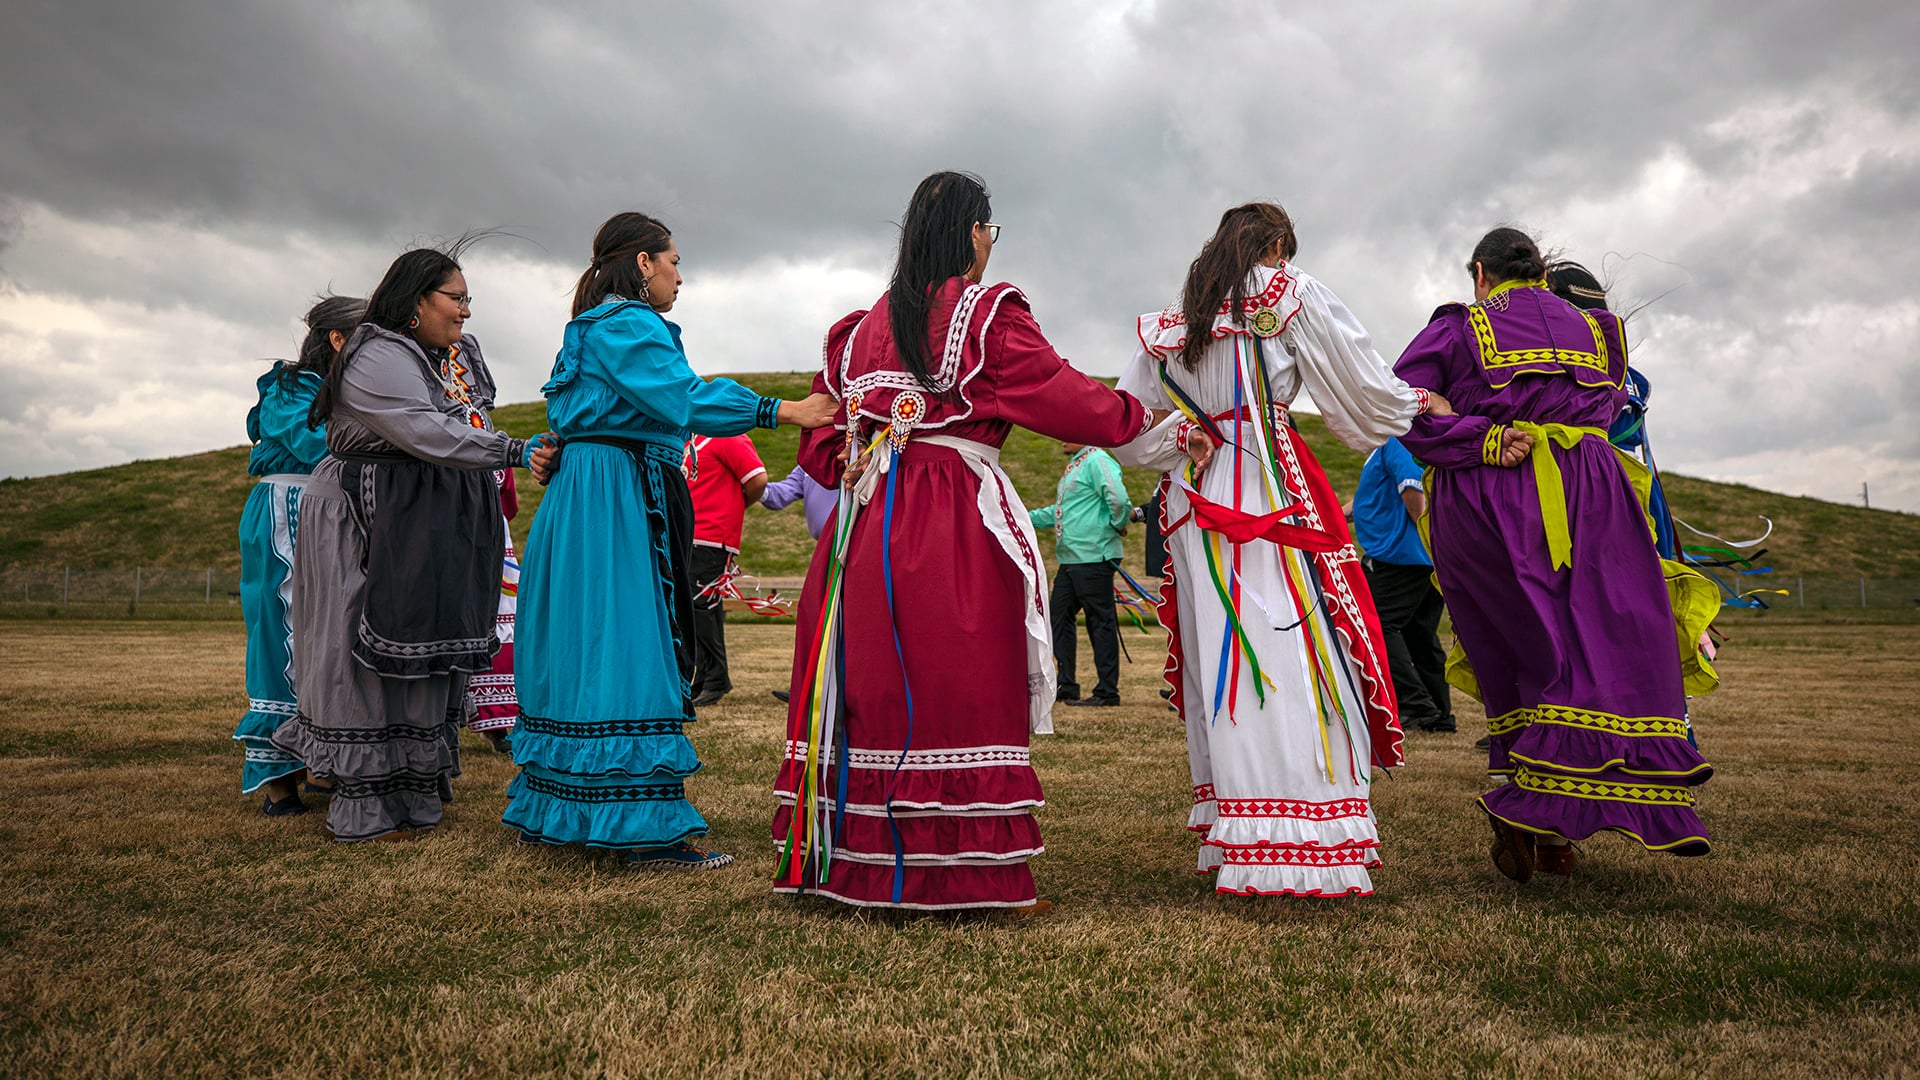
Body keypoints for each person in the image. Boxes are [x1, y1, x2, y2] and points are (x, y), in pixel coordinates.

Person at [772, 171, 1160, 913]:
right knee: (952, 681)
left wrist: (869, 452)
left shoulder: (855, 333)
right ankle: (957, 874)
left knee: (871, 685)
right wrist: (1150, 422)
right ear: (974, 236)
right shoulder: (984, 316)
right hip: (946, 523)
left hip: (862, 528)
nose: (991, 244)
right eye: (991, 231)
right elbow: (1063, 395)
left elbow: (821, 450)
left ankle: (846, 863)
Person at [1112, 202, 1448, 898]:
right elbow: (1365, 394)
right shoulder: (1288, 294)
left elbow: (1127, 431)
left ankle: (1242, 822)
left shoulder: (1172, 323)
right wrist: (1418, 402)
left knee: (1228, 657)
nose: (1286, 263)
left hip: (1200, 496)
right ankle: (1298, 824)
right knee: (1287, 647)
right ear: (1272, 245)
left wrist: (1183, 435)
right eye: (1283, 250)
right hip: (1267, 487)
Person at [506, 211, 835, 868]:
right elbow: (680, 398)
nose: (680, 276)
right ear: (643, 264)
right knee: (629, 642)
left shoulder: (588, 327)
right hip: (616, 502)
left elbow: (577, 417)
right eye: (675, 261)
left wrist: (551, 448)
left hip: (585, 496)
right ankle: (642, 830)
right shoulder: (627, 323)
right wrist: (784, 410)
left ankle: (563, 805)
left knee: (585, 644)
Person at [1393, 226, 1713, 883]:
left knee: (1517, 648)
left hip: (1496, 492)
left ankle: (1533, 813)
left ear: (1480, 273)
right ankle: (1564, 829)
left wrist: (1474, 432)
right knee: (1593, 645)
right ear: (1539, 272)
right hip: (1595, 493)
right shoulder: (1600, 330)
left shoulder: (1461, 327)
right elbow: (1620, 409)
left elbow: (1401, 407)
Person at [272, 242, 549, 842]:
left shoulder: (453, 352)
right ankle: (366, 802)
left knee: (426, 647)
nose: (467, 311)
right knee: (360, 642)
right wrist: (512, 452)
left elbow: (471, 416)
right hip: (367, 516)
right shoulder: (377, 354)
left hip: (430, 514)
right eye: (457, 297)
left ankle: (415, 792)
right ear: (416, 301)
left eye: (469, 298)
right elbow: (424, 429)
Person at [235, 295, 364, 816]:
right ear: (337, 339)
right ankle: (278, 777)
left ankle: (322, 757)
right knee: (281, 626)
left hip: (334, 508)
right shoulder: (290, 389)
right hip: (290, 506)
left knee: (332, 632)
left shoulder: (353, 388)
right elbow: (322, 445)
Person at [1349, 436, 1455, 733]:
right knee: (1419, 634)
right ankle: (1438, 713)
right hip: (1418, 556)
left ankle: (1415, 706)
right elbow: (1369, 497)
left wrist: (1423, 530)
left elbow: (1413, 490)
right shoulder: (1385, 445)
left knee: (1378, 627)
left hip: (1400, 557)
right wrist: (1333, 516)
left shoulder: (1398, 441)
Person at [1031, 440, 1131, 707]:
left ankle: (1107, 691)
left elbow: (1118, 498)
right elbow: (1062, 511)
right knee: (1058, 618)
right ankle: (1067, 684)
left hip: (1093, 556)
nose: (1060, 436)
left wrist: (1117, 523)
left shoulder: (1098, 460)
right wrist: (1022, 517)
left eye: (1068, 431)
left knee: (1100, 623)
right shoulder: (1077, 464)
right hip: (1071, 559)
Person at [686, 433, 769, 707]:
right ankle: (700, 676)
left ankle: (717, 677)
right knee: (691, 611)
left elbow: (757, 479)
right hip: (687, 535)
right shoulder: (689, 441)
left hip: (712, 536)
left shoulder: (728, 436)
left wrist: (733, 506)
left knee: (703, 608)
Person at [467, 467, 522, 752]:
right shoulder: (490, 440)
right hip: (492, 530)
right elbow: (509, 503)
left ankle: (493, 716)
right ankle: (498, 720)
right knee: (499, 617)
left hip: (458, 530)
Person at [759, 464, 839, 540]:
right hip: (826, 547)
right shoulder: (814, 459)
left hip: (848, 547)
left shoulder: (849, 462)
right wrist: (757, 488)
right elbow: (789, 488)